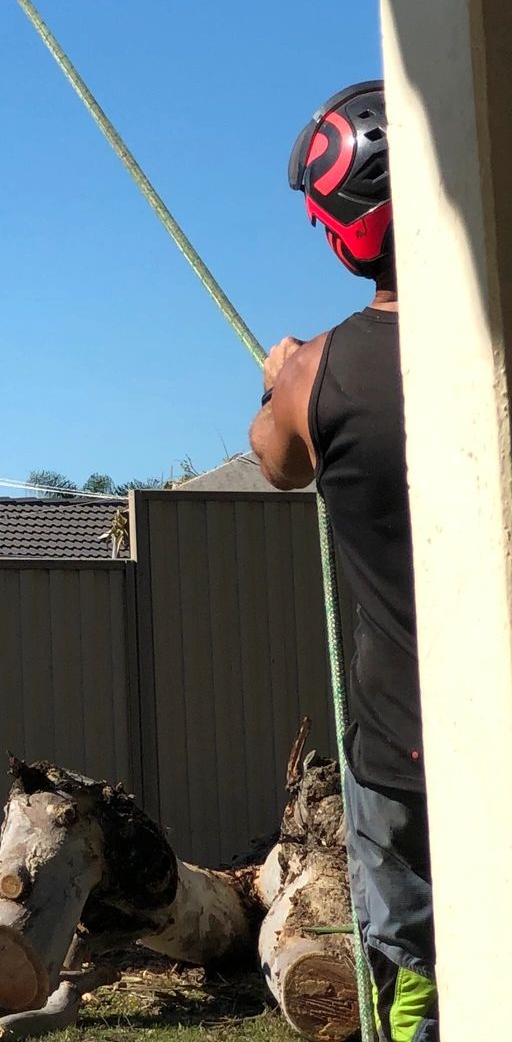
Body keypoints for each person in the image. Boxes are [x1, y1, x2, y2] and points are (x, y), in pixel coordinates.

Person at [250, 81, 437, 1042]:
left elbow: (274, 459)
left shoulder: (318, 376)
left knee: (410, 957)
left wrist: (285, 376)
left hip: (398, 741)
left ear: (341, 233)